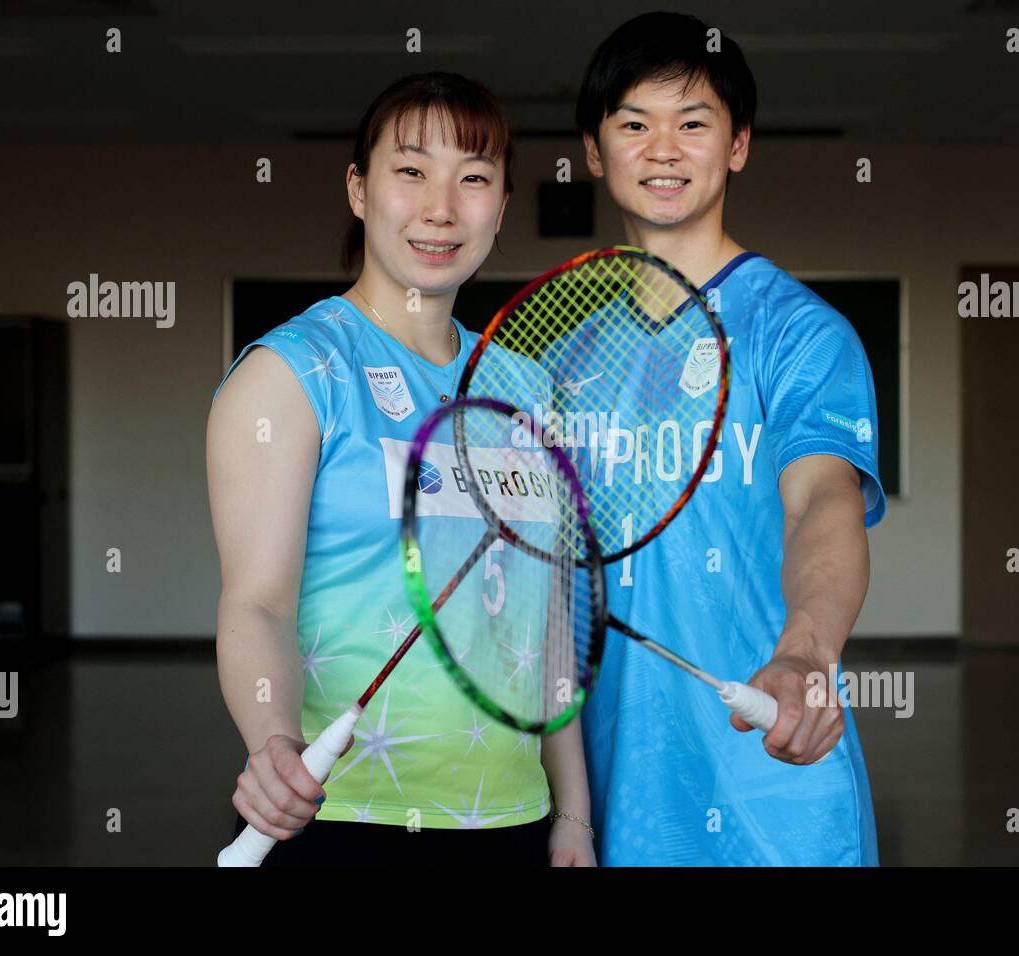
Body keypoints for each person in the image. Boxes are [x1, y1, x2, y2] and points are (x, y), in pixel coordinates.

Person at [207, 71, 595, 866]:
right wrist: (274, 745)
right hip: (349, 816)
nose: (441, 207)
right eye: (411, 170)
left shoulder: (527, 388)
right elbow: (257, 605)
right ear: (359, 188)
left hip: (512, 821)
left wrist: (573, 816)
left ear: (502, 206)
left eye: (475, 178)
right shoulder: (296, 373)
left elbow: (548, 621)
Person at [573, 13, 887, 865]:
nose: (664, 149)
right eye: (634, 124)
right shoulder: (565, 360)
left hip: (773, 775)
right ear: (596, 154)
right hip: (609, 788)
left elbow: (823, 499)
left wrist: (806, 651)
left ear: (738, 145)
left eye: (694, 123)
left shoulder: (799, 336)